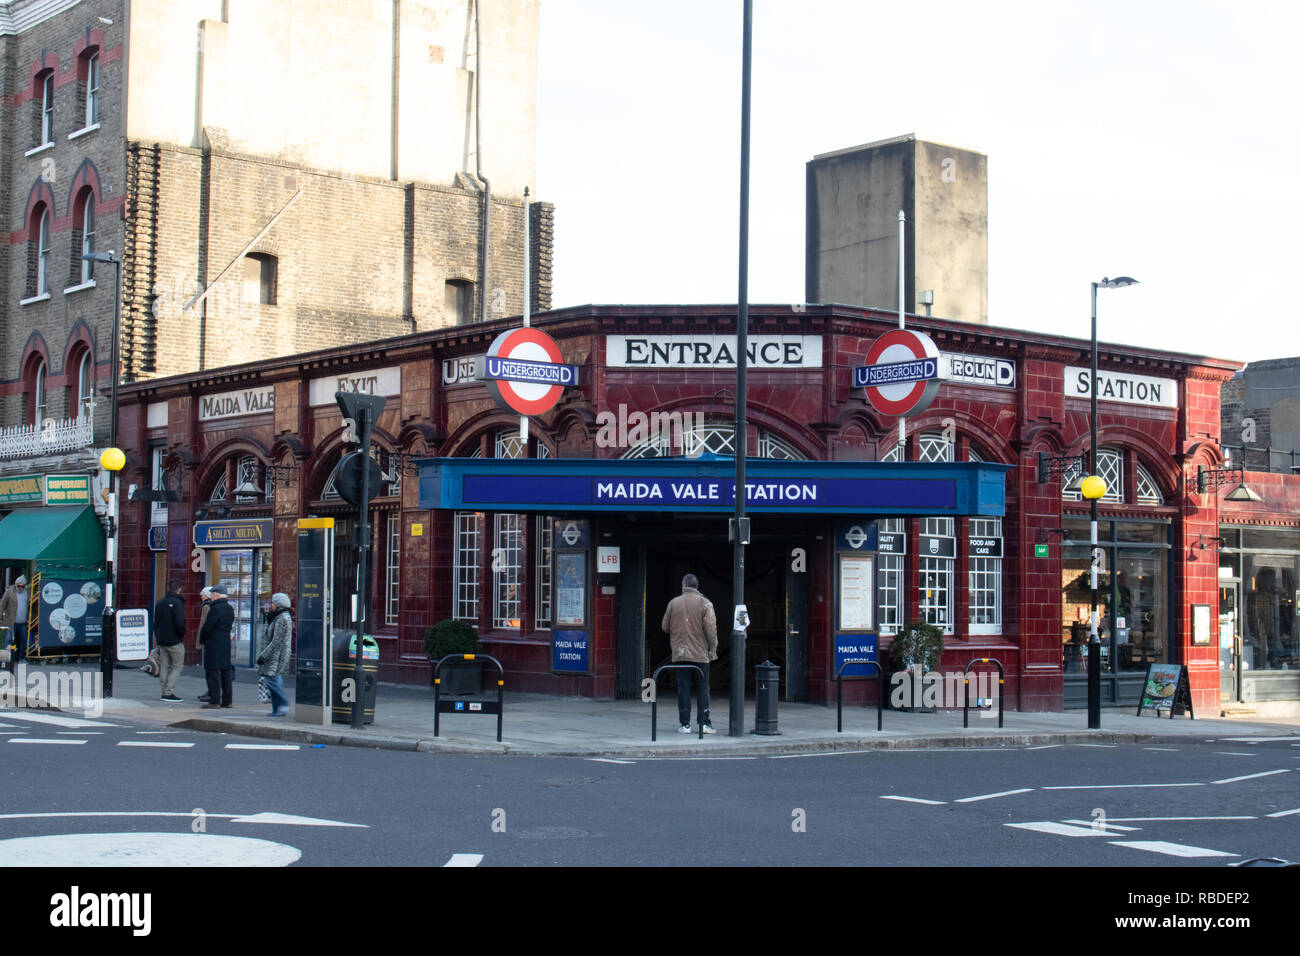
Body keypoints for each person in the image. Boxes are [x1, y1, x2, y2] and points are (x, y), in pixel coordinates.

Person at [661, 572, 718, 734]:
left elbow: (664, 627)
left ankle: (684, 724)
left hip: (680, 653)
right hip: (700, 654)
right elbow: (711, 629)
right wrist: (712, 649)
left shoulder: (673, 603)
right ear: (697, 587)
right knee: (703, 688)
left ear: (683, 585)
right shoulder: (705, 603)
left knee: (683, 688)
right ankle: (704, 723)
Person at [198, 585, 235, 709]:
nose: (211, 596)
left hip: (213, 643)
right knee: (225, 672)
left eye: (212, 594)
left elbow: (208, 627)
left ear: (217, 595)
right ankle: (227, 700)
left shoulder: (215, 609)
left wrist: (202, 639)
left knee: (212, 672)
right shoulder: (230, 609)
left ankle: (214, 700)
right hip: (225, 643)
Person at [258, 593, 293, 717]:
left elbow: (276, 641)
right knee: (273, 679)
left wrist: (263, 655)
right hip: (276, 654)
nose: (270, 605)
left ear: (278, 604)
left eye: (272, 603)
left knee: (271, 679)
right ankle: (277, 708)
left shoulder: (282, 618)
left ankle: (283, 703)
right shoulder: (280, 616)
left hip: (276, 656)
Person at [153, 579, 187, 702]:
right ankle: (169, 691)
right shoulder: (178, 603)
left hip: (162, 639)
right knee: (178, 665)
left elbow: (156, 622)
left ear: (168, 588)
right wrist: (182, 634)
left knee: (164, 666)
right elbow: (180, 623)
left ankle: (164, 691)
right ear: (179, 590)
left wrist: (157, 635)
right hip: (174, 640)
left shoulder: (160, 602)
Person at [0, 575, 31, 664]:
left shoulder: (27, 592)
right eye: (19, 586)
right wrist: (0, 618)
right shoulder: (9, 592)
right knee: (9, 640)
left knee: (24, 641)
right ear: (15, 584)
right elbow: (2, 605)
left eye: (23, 586)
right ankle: (6, 659)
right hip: (12, 622)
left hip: (23, 622)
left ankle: (22, 658)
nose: (20, 588)